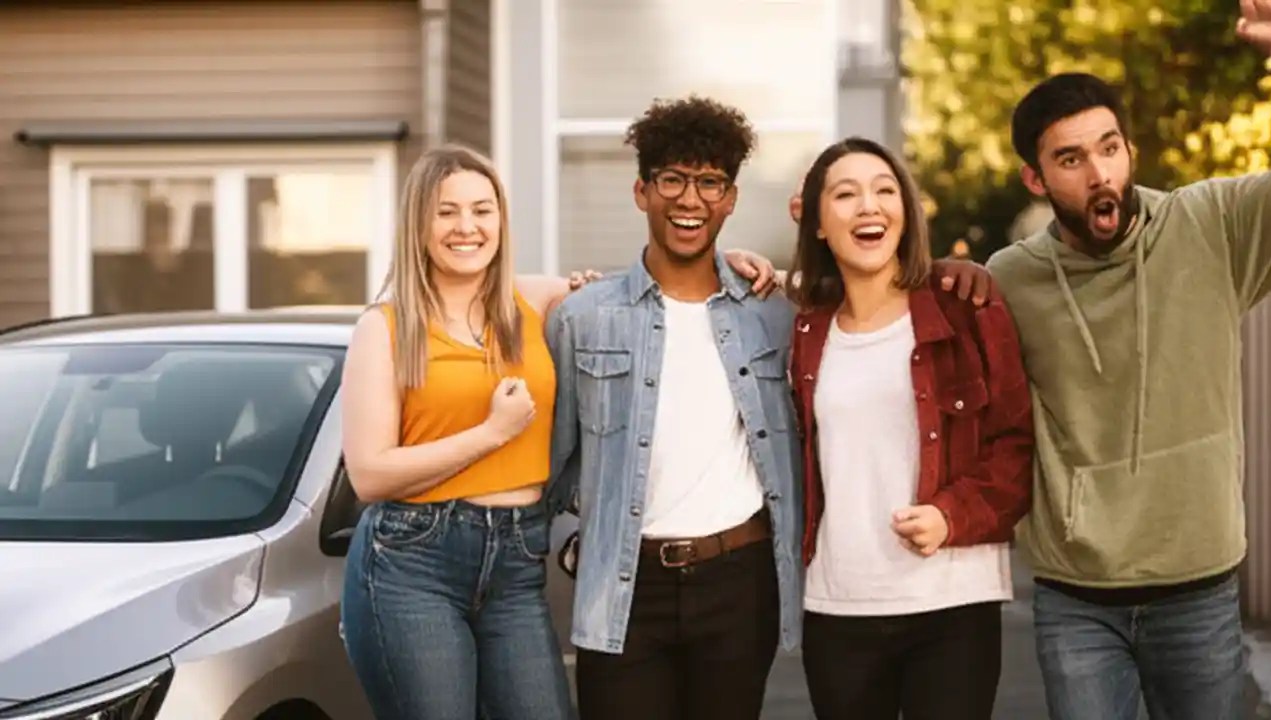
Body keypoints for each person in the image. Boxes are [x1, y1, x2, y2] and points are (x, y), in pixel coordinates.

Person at [337, 143, 776, 719]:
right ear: (418, 223)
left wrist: (736, 264)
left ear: (501, 220)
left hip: (517, 558)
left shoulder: (538, 300)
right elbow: (369, 474)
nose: (466, 227)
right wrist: (492, 434)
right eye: (446, 212)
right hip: (414, 559)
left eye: (481, 210)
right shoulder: (386, 326)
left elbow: (663, 286)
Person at [983, 5, 1271, 718]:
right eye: (1071, 159)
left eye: (1109, 147)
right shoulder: (1008, 279)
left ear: (1131, 150)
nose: (1098, 172)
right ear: (1035, 179)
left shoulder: (1213, 226)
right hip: (1076, 599)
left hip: (1199, 588)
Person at [544, 96, 802, 720]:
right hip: (625, 585)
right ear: (642, 191)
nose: (691, 200)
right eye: (673, 180)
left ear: (731, 198)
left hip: (739, 581)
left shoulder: (772, 314)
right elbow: (553, 465)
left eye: (710, 182)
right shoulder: (583, 316)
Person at [787, 136, 1033, 720]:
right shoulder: (803, 331)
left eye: (885, 190)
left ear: (907, 210)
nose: (868, 206)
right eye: (845, 195)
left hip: (953, 601)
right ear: (818, 222)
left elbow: (1016, 444)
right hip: (838, 603)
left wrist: (952, 514)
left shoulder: (965, 307)